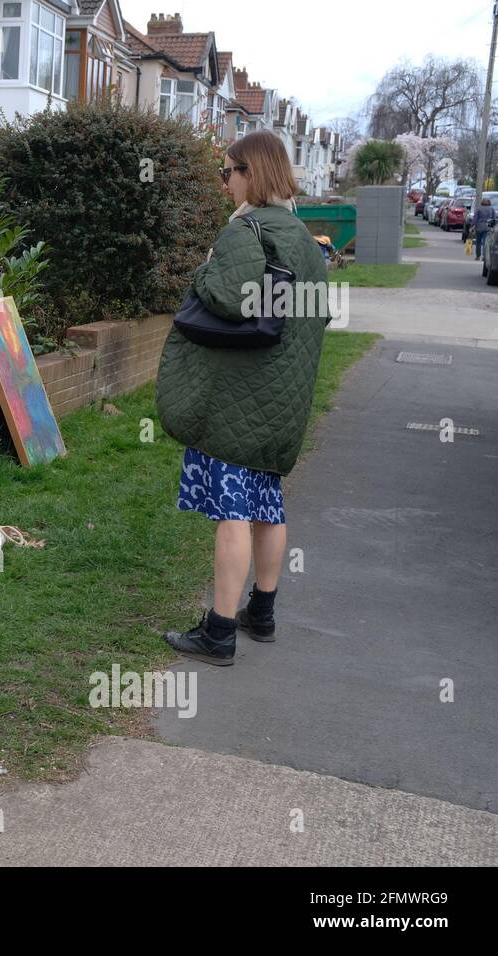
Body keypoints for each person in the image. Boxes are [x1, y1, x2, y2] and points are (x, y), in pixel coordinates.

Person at [154, 131, 330, 666]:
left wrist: (205, 269)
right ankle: (263, 612)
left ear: (250, 173)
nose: (224, 182)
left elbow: (231, 298)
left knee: (231, 512)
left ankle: (219, 631)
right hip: (283, 399)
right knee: (267, 506)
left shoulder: (246, 230)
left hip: (238, 400)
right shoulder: (303, 238)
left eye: (227, 172)